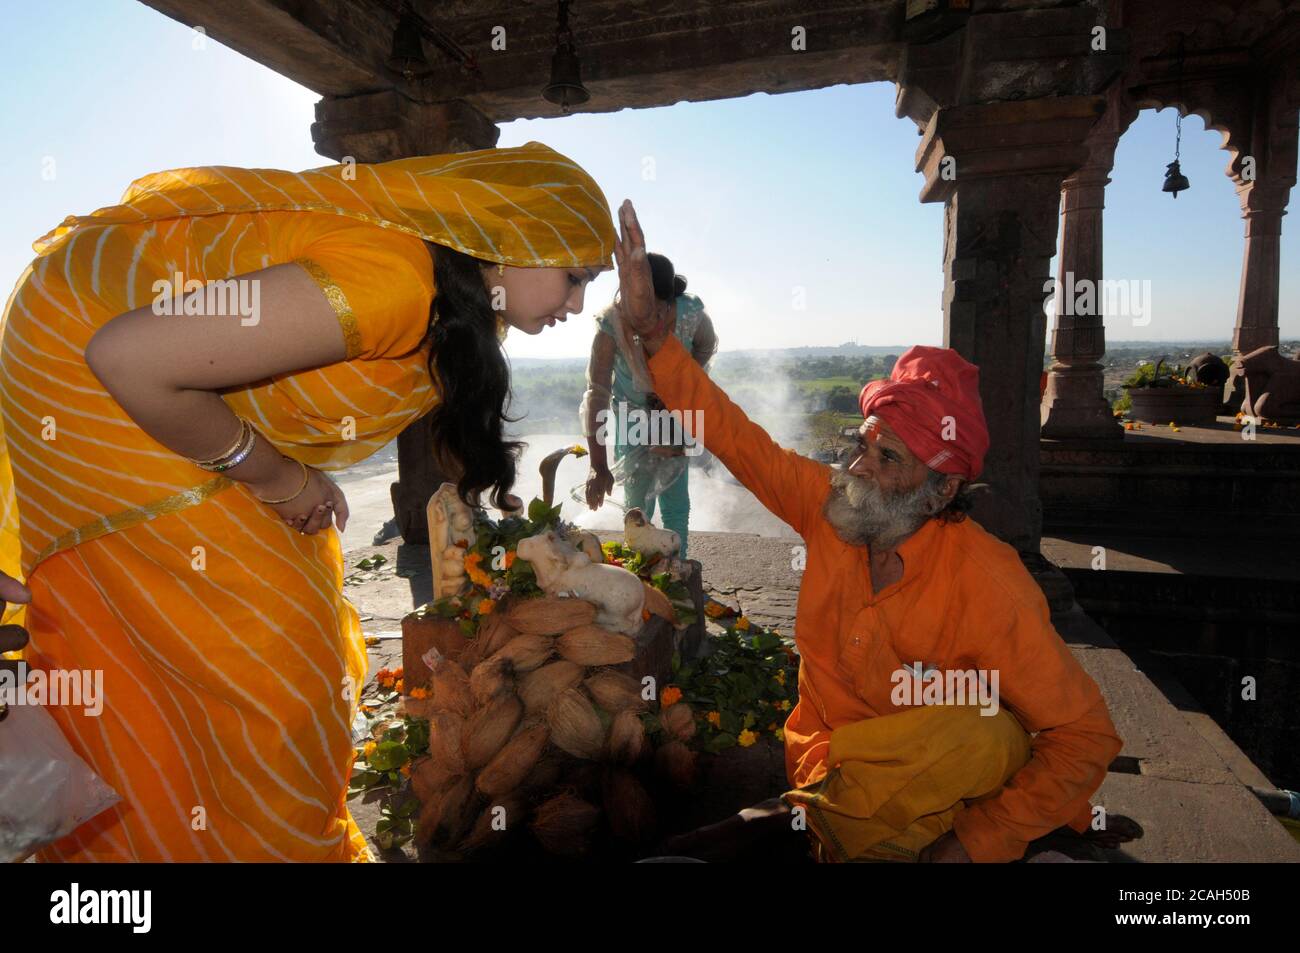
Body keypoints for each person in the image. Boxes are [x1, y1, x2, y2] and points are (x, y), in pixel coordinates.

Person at [0, 141, 616, 861]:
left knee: (217, 662)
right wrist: (280, 479)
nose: (578, 305)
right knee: (274, 671)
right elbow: (127, 359)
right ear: (513, 238)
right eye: (575, 277)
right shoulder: (396, 282)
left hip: (124, 367)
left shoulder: (441, 295)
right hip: (86, 378)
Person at [609, 200, 1142, 862]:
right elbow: (733, 435)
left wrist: (972, 842)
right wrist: (655, 333)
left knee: (992, 736)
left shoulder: (988, 582)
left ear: (942, 489)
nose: (857, 466)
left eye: (887, 458)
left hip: (927, 807)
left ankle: (1039, 828)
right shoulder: (831, 506)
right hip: (822, 778)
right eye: (861, 444)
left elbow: (1084, 734)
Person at [582, 253, 716, 557]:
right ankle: (642, 574)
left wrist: (681, 385)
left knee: (675, 501)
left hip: (679, 411)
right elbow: (597, 393)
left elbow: (706, 348)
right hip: (632, 415)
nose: (648, 319)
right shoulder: (610, 327)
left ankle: (676, 574)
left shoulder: (692, 316)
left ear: (670, 301)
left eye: (657, 310)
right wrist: (597, 464)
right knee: (638, 502)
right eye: (639, 309)